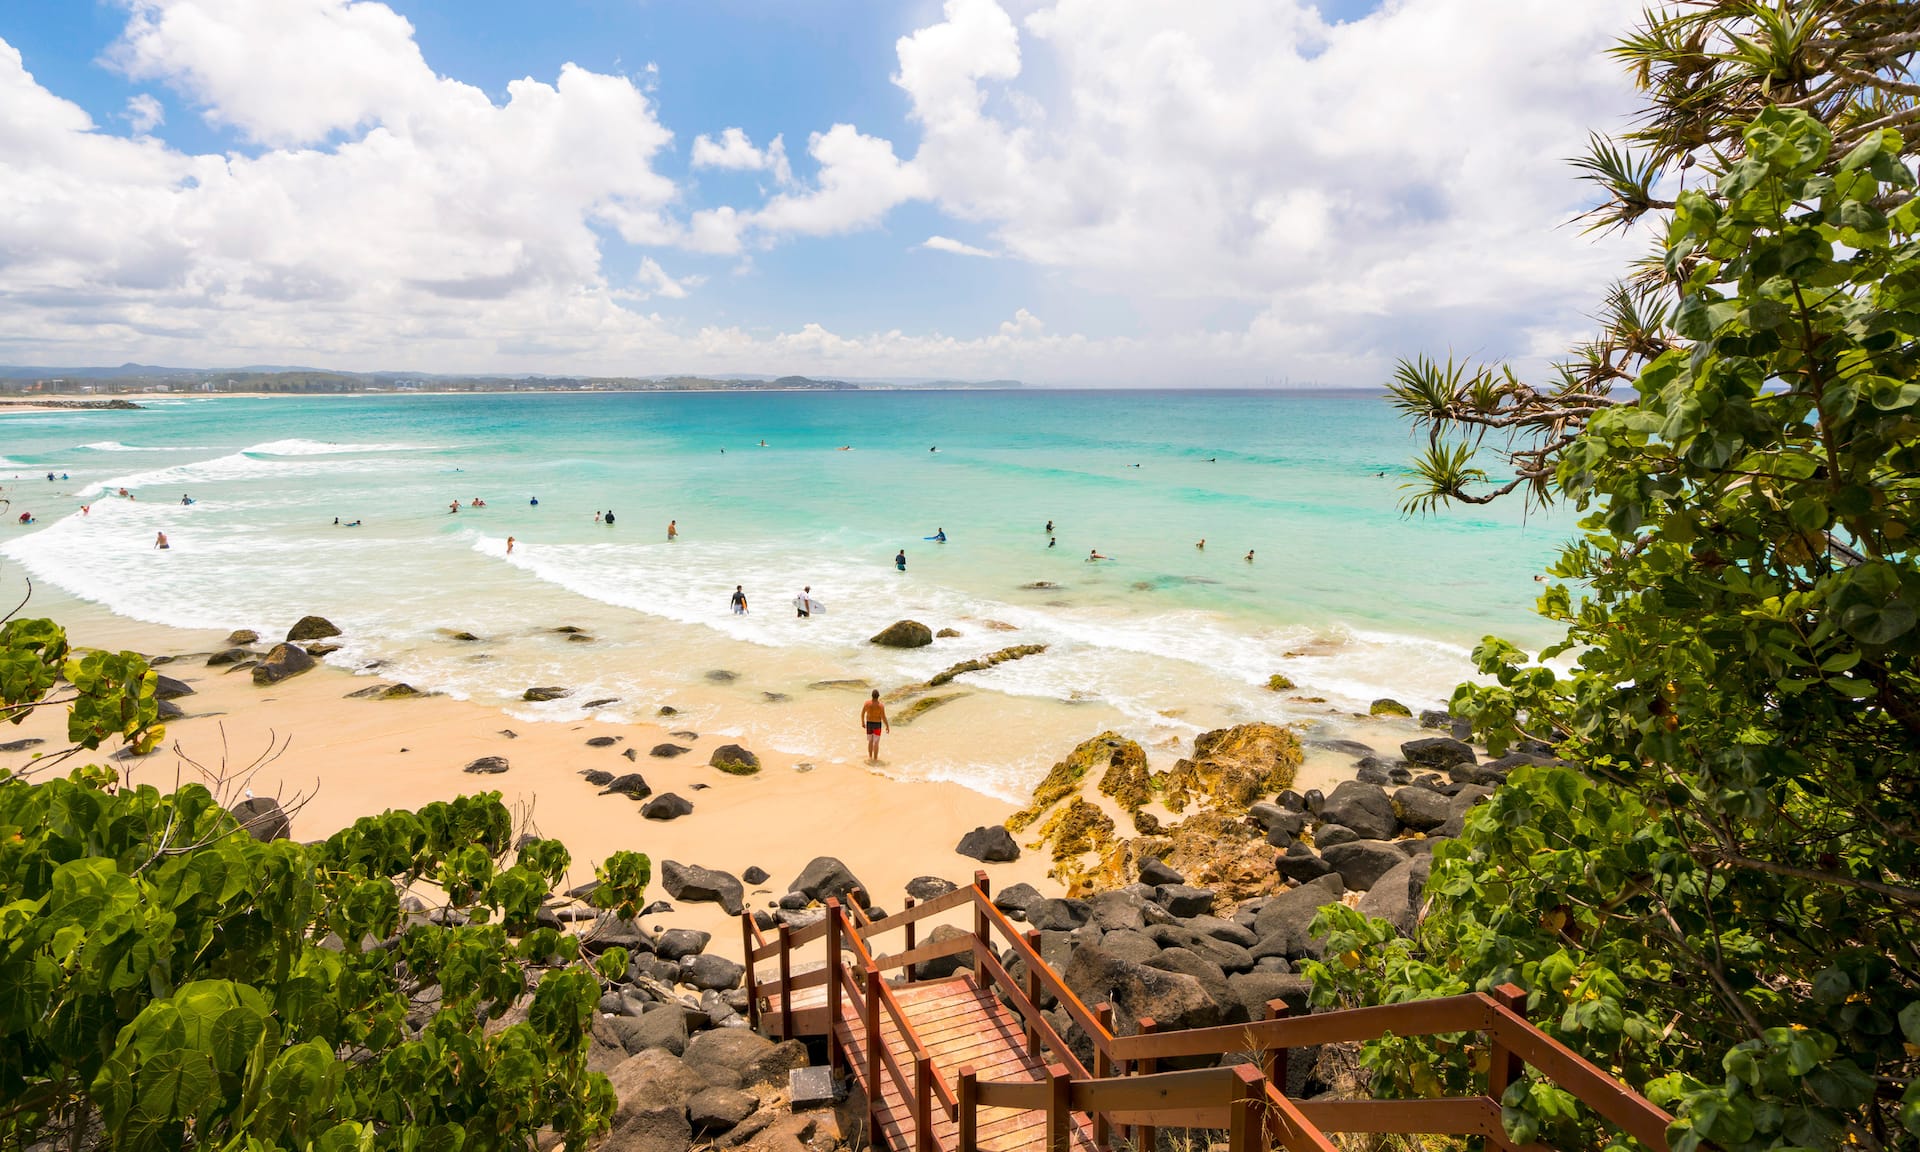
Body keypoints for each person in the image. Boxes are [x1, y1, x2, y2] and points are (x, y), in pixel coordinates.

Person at [861, 690, 890, 763]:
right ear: (878, 696)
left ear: (872, 696)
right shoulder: (881, 706)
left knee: (870, 741)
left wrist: (863, 722)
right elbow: (883, 717)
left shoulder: (867, 703)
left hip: (869, 724)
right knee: (876, 743)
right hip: (877, 725)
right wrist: (887, 726)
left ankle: (870, 757)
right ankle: (875, 759)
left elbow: (862, 713)